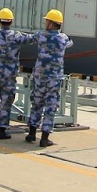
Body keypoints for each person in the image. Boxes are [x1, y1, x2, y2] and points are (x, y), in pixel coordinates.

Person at [0, 7, 34, 139]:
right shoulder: (17, 36)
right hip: (9, 76)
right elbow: (32, 38)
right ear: (11, 22)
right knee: (6, 102)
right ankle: (2, 131)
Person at [26, 9, 72, 147]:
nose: (45, 23)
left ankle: (31, 133)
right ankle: (44, 138)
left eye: (47, 21)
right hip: (54, 77)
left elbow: (29, 38)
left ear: (51, 24)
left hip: (40, 76)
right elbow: (70, 42)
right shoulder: (63, 38)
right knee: (51, 106)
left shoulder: (41, 36)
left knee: (37, 104)